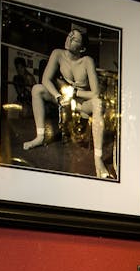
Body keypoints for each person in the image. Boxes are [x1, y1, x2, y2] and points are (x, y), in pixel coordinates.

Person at [22, 25, 114, 180]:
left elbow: (95, 93)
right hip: (64, 99)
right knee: (37, 89)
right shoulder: (57, 54)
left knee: (98, 103)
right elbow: (45, 79)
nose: (69, 39)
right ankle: (40, 136)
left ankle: (98, 159)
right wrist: (58, 96)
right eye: (70, 35)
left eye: (75, 39)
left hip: (81, 104)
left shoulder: (87, 61)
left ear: (82, 48)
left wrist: (74, 92)